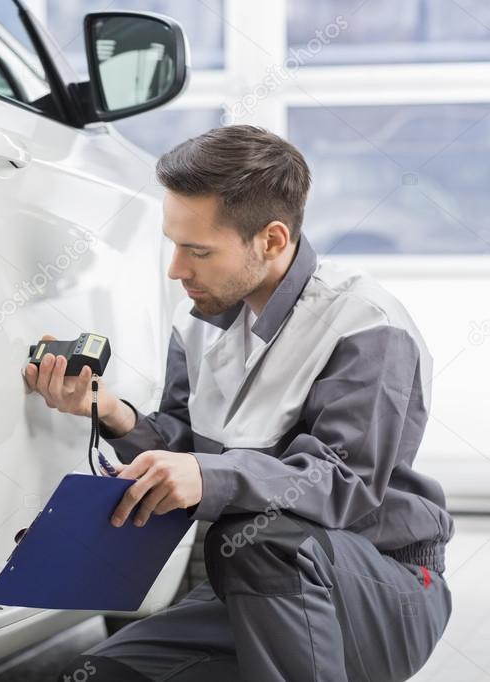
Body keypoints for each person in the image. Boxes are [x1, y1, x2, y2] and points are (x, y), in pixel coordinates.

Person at [24, 125, 453, 682]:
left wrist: (210, 476)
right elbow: (184, 439)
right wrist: (109, 411)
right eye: (173, 244)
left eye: (197, 250)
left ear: (272, 240)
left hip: (381, 587)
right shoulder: (197, 319)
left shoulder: (365, 324)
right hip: (257, 587)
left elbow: (343, 483)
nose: (177, 269)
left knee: (261, 539)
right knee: (102, 674)